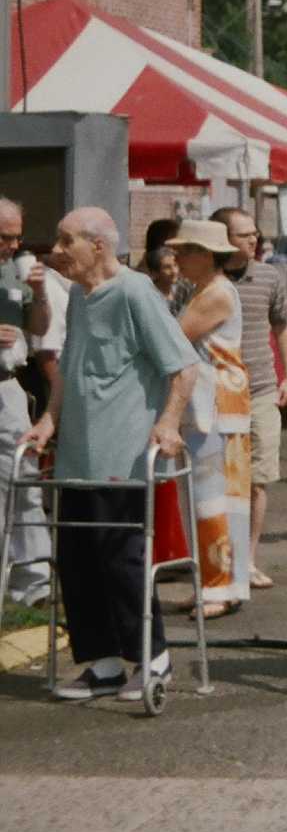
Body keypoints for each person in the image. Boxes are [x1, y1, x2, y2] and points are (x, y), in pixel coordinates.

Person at [24, 208, 200, 703]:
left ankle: (153, 657)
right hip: (77, 455)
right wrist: (48, 421)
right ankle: (101, 663)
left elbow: (184, 366)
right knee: (78, 560)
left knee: (120, 559)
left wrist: (167, 423)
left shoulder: (135, 291)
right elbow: (71, 370)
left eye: (65, 241)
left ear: (97, 246)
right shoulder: (80, 297)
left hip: (121, 455)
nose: (55, 250)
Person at [169, 221, 255, 620]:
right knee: (202, 500)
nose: (178, 257)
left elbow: (173, 337)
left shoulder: (216, 293)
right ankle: (210, 581)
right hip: (210, 405)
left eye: (185, 250)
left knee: (213, 500)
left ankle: (221, 584)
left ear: (206, 254)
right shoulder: (204, 290)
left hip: (216, 407)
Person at [212, 208, 287, 591]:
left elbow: (282, 327)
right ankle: (218, 557)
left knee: (258, 479)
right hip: (216, 391)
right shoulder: (202, 279)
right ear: (223, 238)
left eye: (255, 233)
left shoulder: (269, 275)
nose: (254, 241)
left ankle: (247, 559)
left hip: (261, 387)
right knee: (220, 479)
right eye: (245, 234)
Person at [1, 197, 53, 607]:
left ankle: (34, 582)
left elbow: (37, 329)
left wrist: (38, 293)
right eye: (5, 237)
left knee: (23, 475)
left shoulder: (13, 270)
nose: (13, 247)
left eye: (17, 238)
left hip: (7, 386)